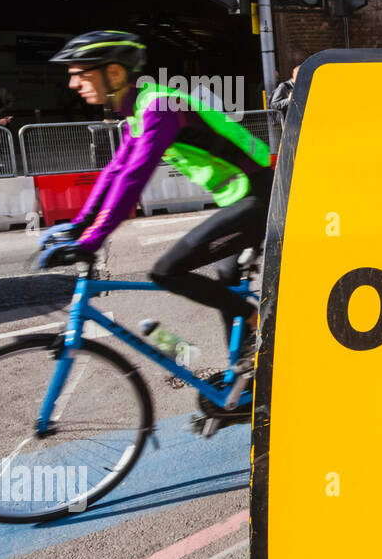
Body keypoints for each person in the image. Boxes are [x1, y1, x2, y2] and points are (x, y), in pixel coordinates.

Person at [37, 31, 273, 364]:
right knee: (227, 285)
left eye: (80, 72)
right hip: (239, 196)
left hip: (257, 194)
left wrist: (91, 240)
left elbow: (134, 178)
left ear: (115, 73)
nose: (74, 83)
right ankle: (245, 373)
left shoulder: (159, 107)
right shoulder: (142, 107)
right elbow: (116, 171)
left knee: (167, 271)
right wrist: (78, 225)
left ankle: (256, 325)